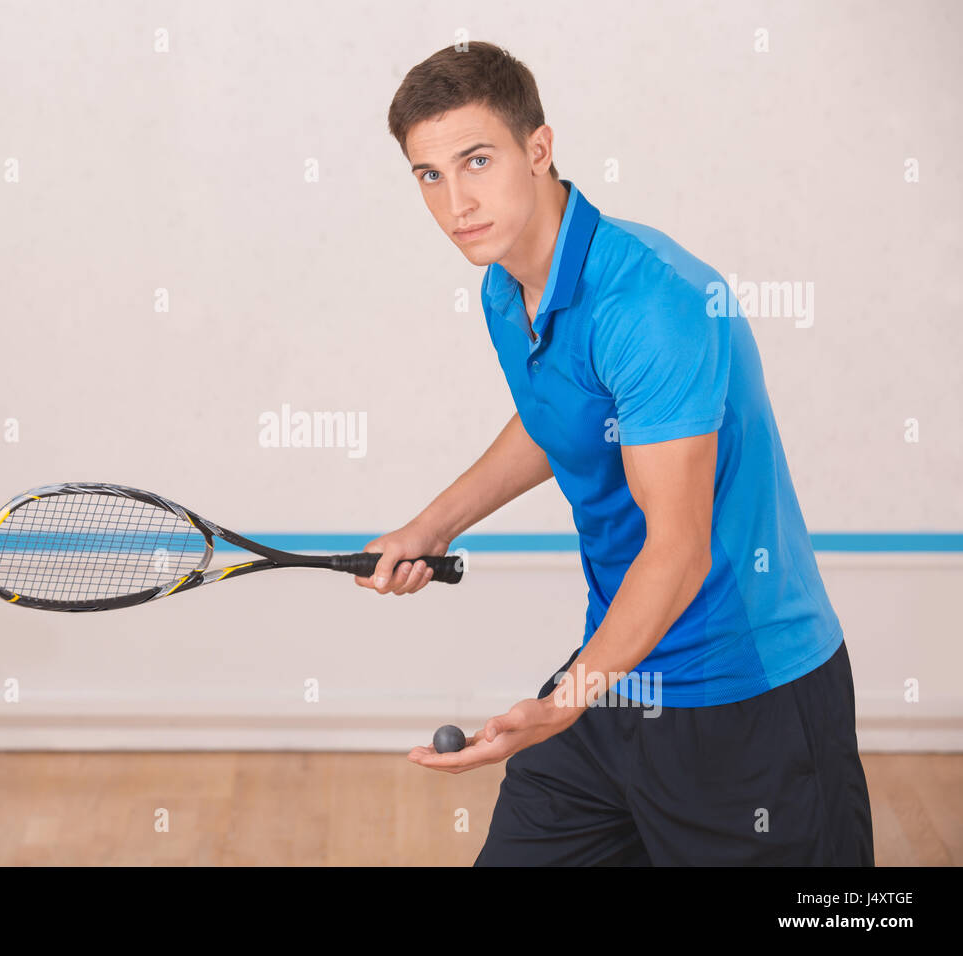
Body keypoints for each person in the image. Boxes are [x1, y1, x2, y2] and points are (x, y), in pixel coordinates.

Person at [365, 41, 874, 865]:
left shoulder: (651, 304)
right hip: (620, 678)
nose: (456, 200)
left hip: (746, 701)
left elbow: (678, 554)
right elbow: (560, 416)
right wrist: (433, 524)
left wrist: (565, 701)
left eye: (476, 160)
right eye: (429, 175)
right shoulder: (505, 285)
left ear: (539, 149)